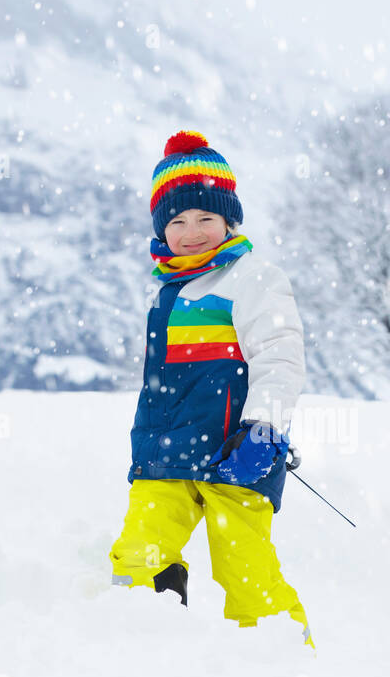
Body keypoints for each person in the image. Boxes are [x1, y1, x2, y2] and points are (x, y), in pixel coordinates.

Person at [108, 129, 312, 648]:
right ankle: (148, 647)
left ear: (228, 220)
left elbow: (280, 356)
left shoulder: (252, 278)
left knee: (247, 574)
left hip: (234, 455)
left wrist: (263, 430)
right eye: (177, 221)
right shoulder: (168, 292)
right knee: (138, 557)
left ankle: (284, 663)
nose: (191, 232)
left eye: (205, 218)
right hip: (165, 458)